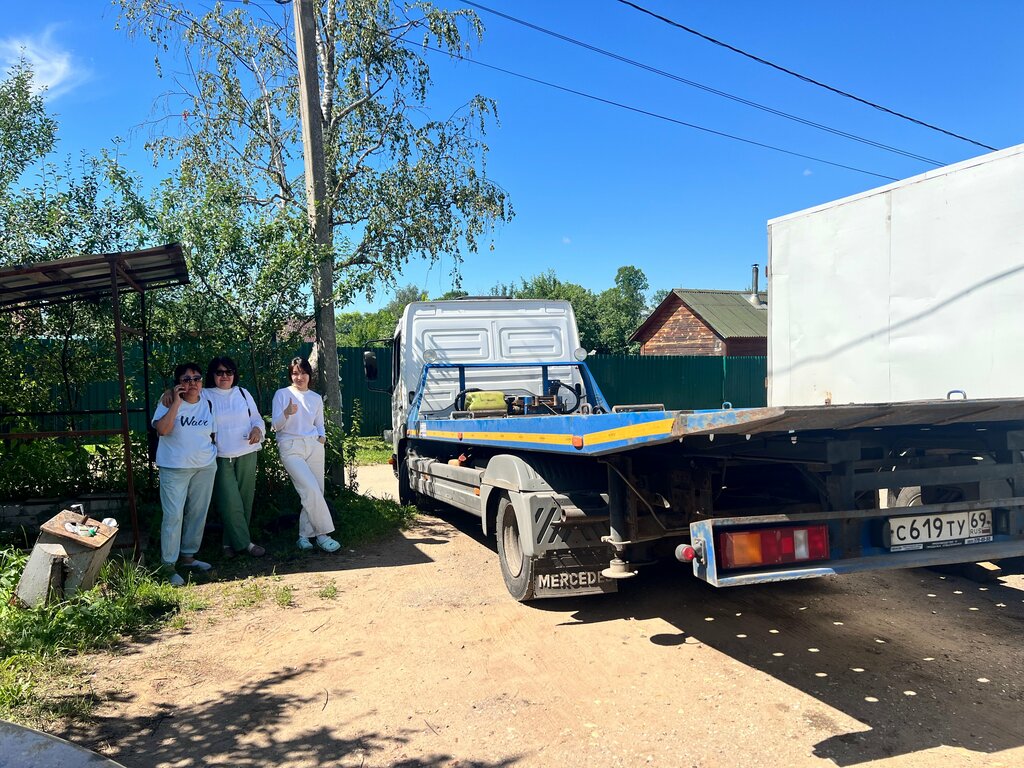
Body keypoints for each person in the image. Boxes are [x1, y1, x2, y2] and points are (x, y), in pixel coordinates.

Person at [152, 362, 217, 586]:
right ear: (178, 383)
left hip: (205, 466)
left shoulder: (208, 401)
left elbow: (213, 432)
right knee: (173, 515)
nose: (192, 383)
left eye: (196, 378)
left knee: (197, 512)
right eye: (186, 379)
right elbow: (162, 430)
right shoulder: (168, 401)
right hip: (174, 467)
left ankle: (188, 556)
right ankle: (168, 565)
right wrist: (175, 403)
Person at [271, 357, 341, 552]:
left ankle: (303, 537)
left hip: (314, 446)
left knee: (315, 491)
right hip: (290, 446)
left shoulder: (315, 398)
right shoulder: (282, 394)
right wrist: (286, 413)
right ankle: (323, 534)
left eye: (302, 372)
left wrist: (322, 438)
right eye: (294, 373)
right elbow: (275, 426)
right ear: (290, 375)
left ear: (309, 375)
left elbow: (319, 423)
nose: (299, 377)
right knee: (310, 489)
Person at [205, 356, 267, 558]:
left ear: (234, 374)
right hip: (221, 455)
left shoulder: (243, 392)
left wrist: (258, 429)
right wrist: (170, 395)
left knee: (244, 501)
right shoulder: (205, 394)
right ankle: (245, 545)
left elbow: (256, 417)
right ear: (212, 375)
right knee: (229, 501)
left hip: (247, 452)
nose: (224, 376)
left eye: (228, 372)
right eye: (219, 372)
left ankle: (227, 544)